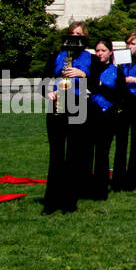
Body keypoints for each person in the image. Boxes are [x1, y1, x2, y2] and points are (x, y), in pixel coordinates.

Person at [43, 22, 94, 215]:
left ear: (84, 37)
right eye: (72, 33)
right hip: (57, 104)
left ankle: (69, 202)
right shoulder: (58, 56)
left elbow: (99, 83)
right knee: (56, 154)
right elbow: (44, 81)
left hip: (78, 104)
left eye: (78, 34)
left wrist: (82, 74)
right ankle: (51, 202)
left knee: (74, 154)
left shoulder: (90, 58)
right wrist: (49, 93)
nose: (75, 37)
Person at [85, 40, 126, 201]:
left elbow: (120, 95)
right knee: (88, 152)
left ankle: (101, 190)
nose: (100, 53)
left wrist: (101, 85)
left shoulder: (117, 71)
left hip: (108, 115)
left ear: (110, 52)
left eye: (103, 50)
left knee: (103, 153)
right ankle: (86, 186)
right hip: (90, 113)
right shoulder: (90, 70)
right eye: (97, 50)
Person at [112, 32, 136, 192]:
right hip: (124, 101)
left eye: (133, 44)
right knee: (121, 140)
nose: (130, 47)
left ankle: (134, 178)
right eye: (128, 43)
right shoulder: (122, 59)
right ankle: (118, 179)